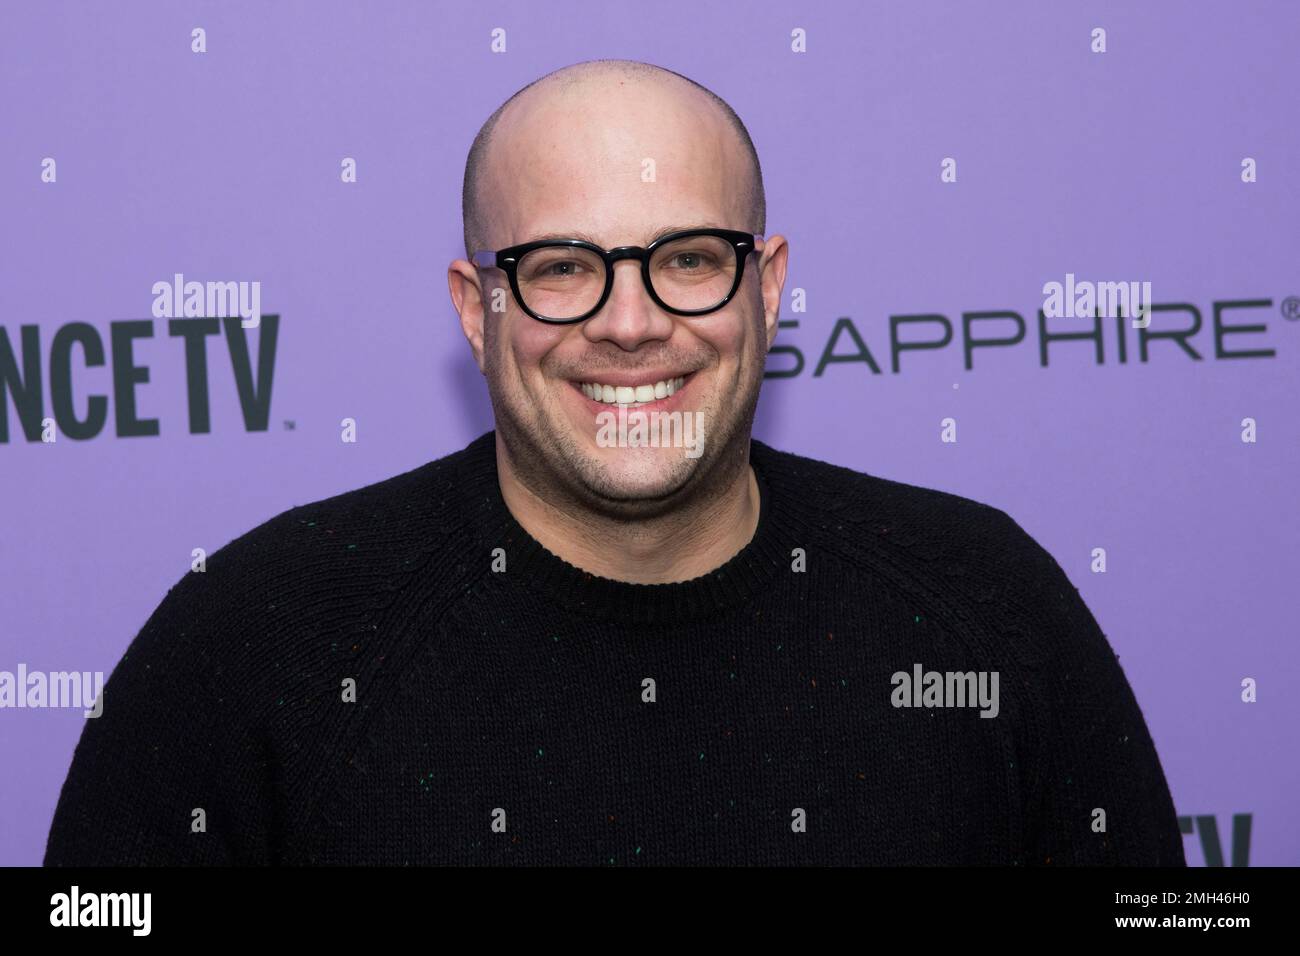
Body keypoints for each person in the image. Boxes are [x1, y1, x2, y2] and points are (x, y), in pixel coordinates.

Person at [44, 58, 1184, 865]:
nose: (630, 323)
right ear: (476, 307)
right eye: (560, 266)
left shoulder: (986, 599)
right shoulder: (256, 633)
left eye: (688, 258)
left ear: (768, 285)